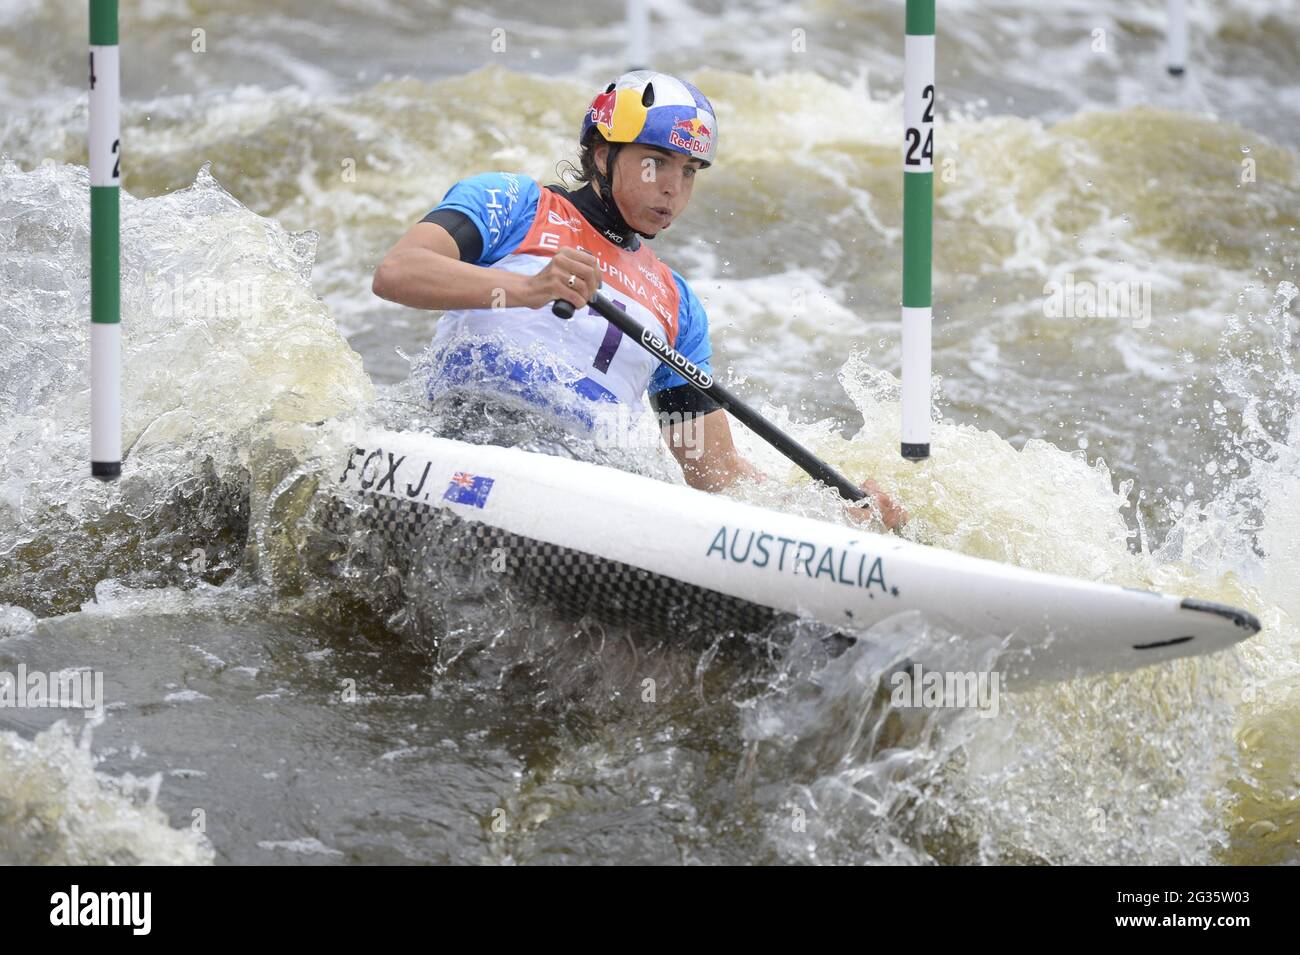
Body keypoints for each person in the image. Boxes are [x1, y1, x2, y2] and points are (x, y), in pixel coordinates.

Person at [372, 69, 904, 530]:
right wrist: (529, 289)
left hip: (579, 484)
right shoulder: (514, 202)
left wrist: (828, 511)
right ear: (603, 155)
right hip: (461, 436)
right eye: (656, 163)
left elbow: (714, 474)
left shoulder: (677, 303)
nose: (673, 188)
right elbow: (397, 272)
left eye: (689, 172)